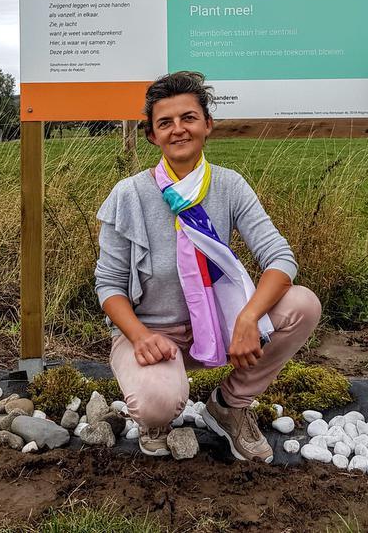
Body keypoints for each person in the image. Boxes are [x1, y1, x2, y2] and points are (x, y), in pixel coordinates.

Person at [94, 71, 322, 462]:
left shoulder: (229, 186)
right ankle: (158, 420)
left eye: (188, 118)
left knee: (302, 305)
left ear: (207, 125)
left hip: (220, 325)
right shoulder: (129, 194)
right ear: (152, 135)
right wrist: (139, 337)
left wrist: (249, 317)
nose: (178, 130)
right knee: (157, 403)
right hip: (152, 334)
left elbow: (280, 258)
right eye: (165, 123)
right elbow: (109, 285)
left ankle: (229, 406)